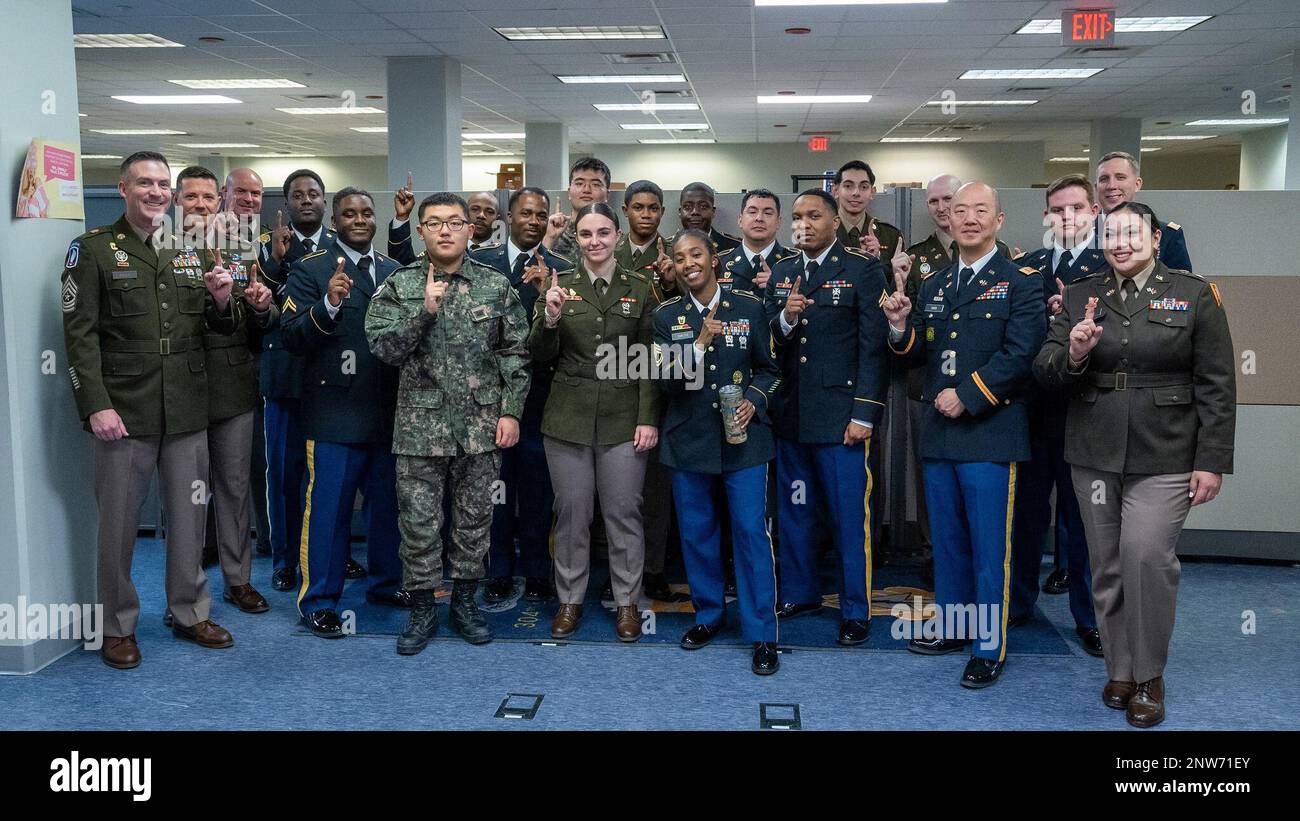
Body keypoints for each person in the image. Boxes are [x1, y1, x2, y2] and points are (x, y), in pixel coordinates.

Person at [1033, 201, 1235, 727]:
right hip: (1094, 451)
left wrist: (1211, 461)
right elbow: (1048, 373)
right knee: (1106, 563)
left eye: (1131, 233)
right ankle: (1119, 668)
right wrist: (1075, 351)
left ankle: (1149, 674)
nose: (1121, 242)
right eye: (1111, 234)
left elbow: (1217, 386)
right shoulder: (1080, 295)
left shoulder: (1194, 295)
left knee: (1146, 556)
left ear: (1155, 238)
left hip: (1165, 450)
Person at [61, 151, 242, 668]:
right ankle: (116, 625)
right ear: (123, 189)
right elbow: (80, 338)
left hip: (186, 407)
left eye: (164, 184)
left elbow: (219, 331)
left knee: (189, 518)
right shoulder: (92, 250)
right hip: (125, 409)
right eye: (145, 183)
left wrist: (224, 301)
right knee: (118, 525)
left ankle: (189, 612)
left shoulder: (192, 249)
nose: (157, 192)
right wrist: (95, 405)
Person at [885, 182, 1046, 688]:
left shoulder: (1021, 280)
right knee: (948, 543)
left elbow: (1020, 355)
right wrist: (898, 327)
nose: (969, 218)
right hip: (940, 435)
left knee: (988, 544)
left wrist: (970, 395)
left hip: (990, 432)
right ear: (947, 221)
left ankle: (988, 644)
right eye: (960, 211)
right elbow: (924, 352)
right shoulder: (934, 283)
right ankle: (955, 627)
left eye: (981, 210)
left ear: (999, 220)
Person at [366, 192, 531, 652]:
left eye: (454, 222)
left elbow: (515, 354)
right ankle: (422, 611)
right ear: (420, 231)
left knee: (474, 523)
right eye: (434, 222)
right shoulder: (400, 285)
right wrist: (424, 311)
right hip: (421, 431)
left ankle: (465, 603)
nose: (444, 230)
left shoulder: (495, 285)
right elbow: (383, 349)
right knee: (419, 525)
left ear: (470, 230)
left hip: (481, 429)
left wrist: (511, 411)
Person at [762, 188, 890, 647]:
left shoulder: (861, 268)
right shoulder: (782, 272)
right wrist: (785, 319)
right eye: (797, 217)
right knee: (794, 512)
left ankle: (856, 607)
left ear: (835, 221)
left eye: (814, 215)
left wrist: (865, 414)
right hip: (791, 416)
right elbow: (767, 344)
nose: (804, 224)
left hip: (842, 422)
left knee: (847, 519)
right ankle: (800, 593)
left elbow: (873, 349)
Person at [531, 202, 661, 641]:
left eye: (604, 233)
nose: (595, 242)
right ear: (577, 240)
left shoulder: (640, 287)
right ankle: (570, 600)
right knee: (571, 514)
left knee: (624, 514)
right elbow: (540, 354)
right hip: (567, 418)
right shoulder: (559, 286)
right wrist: (548, 318)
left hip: (624, 419)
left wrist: (647, 417)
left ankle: (627, 603)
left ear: (617, 237)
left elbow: (649, 359)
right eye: (586, 234)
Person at [653, 230, 782, 675]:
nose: (689, 262)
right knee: (697, 535)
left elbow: (771, 371)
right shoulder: (666, 316)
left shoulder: (748, 306)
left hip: (745, 443)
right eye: (680, 256)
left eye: (696, 254)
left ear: (713, 259)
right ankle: (708, 616)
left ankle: (762, 632)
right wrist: (700, 343)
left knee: (750, 533)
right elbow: (666, 382)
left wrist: (755, 399)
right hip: (689, 441)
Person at [280, 187, 405, 638]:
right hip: (334, 414)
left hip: (388, 412)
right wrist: (328, 304)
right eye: (348, 213)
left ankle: (386, 583)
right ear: (336, 221)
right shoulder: (310, 270)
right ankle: (319, 600)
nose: (359, 219)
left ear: (375, 220)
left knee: (388, 508)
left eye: (366, 213)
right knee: (329, 512)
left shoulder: (394, 270)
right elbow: (291, 336)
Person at [1008, 174, 1106, 654]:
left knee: (1082, 521)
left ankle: (1088, 619)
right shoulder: (1028, 266)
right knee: (1026, 515)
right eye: (1057, 210)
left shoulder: (1111, 265)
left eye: (1075, 208)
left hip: (1085, 412)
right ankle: (1019, 603)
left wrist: (1073, 315)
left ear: (1093, 212)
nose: (1066, 217)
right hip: (1032, 410)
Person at [174, 166, 274, 618]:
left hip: (232, 387)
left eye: (208, 197)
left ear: (220, 201)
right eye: (190, 197)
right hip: (178, 387)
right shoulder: (161, 251)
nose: (200, 204)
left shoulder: (241, 247)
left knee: (234, 491)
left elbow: (258, 325)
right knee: (188, 496)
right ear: (177, 202)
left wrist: (259, 307)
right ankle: (185, 592)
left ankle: (239, 581)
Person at [256, 169, 361, 592]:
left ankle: (339, 555)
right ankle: (284, 560)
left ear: (325, 205)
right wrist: (275, 262)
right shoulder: (269, 247)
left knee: (333, 479)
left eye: (314, 194)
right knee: (285, 474)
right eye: (297, 195)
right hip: (287, 378)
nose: (306, 201)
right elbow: (261, 307)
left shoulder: (346, 249)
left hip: (333, 381)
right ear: (286, 203)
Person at [469, 186, 573, 604]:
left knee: (536, 489)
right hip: (490, 398)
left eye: (541, 215)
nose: (534, 221)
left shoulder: (564, 267)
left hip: (540, 396)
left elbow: (562, 332)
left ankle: (535, 568)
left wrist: (543, 290)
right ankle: (497, 567)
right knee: (494, 488)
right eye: (526, 213)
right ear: (507, 218)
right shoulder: (481, 263)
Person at [219, 166, 273, 559]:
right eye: (242, 192)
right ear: (225, 192)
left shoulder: (259, 243)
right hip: (206, 371)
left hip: (250, 367)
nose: (250, 200)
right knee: (207, 477)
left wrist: (262, 308)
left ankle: (263, 542)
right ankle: (205, 558)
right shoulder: (190, 240)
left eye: (256, 194)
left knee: (254, 465)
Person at [1095, 151, 1193, 272]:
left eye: (1120, 177)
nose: (1111, 185)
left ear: (1137, 184)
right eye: (1104, 179)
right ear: (1096, 187)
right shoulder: (1082, 233)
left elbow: (1182, 286)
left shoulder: (1167, 234)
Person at [389, 180, 499, 264]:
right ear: (466, 213)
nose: (481, 216)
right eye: (475, 209)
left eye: (489, 211)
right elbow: (402, 265)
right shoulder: (437, 253)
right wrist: (402, 217)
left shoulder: (502, 258)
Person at [542, 157, 611, 262]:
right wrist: (549, 238)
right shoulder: (550, 233)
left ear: (607, 195)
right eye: (579, 183)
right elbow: (536, 271)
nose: (586, 189)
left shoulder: (614, 237)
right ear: (569, 193)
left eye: (595, 184)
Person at [832, 160, 900, 262]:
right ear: (836, 191)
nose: (856, 193)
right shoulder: (822, 233)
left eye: (864, 187)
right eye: (848, 186)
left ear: (872, 192)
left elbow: (896, 276)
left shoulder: (890, 236)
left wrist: (877, 258)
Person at [720, 188, 785, 295]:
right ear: (740, 220)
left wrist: (777, 284)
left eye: (768, 213)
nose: (759, 218)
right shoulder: (719, 264)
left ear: (778, 222)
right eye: (752, 212)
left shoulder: (795, 264)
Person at [615, 179, 673, 289]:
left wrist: (668, 284)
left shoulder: (673, 253)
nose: (646, 215)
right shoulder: (611, 250)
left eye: (653, 208)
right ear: (625, 210)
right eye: (638, 208)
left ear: (662, 211)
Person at [676, 181, 740, 254]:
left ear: (713, 212)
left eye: (703, 206)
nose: (695, 212)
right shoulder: (665, 247)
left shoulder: (734, 248)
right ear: (680, 212)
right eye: (688, 207)